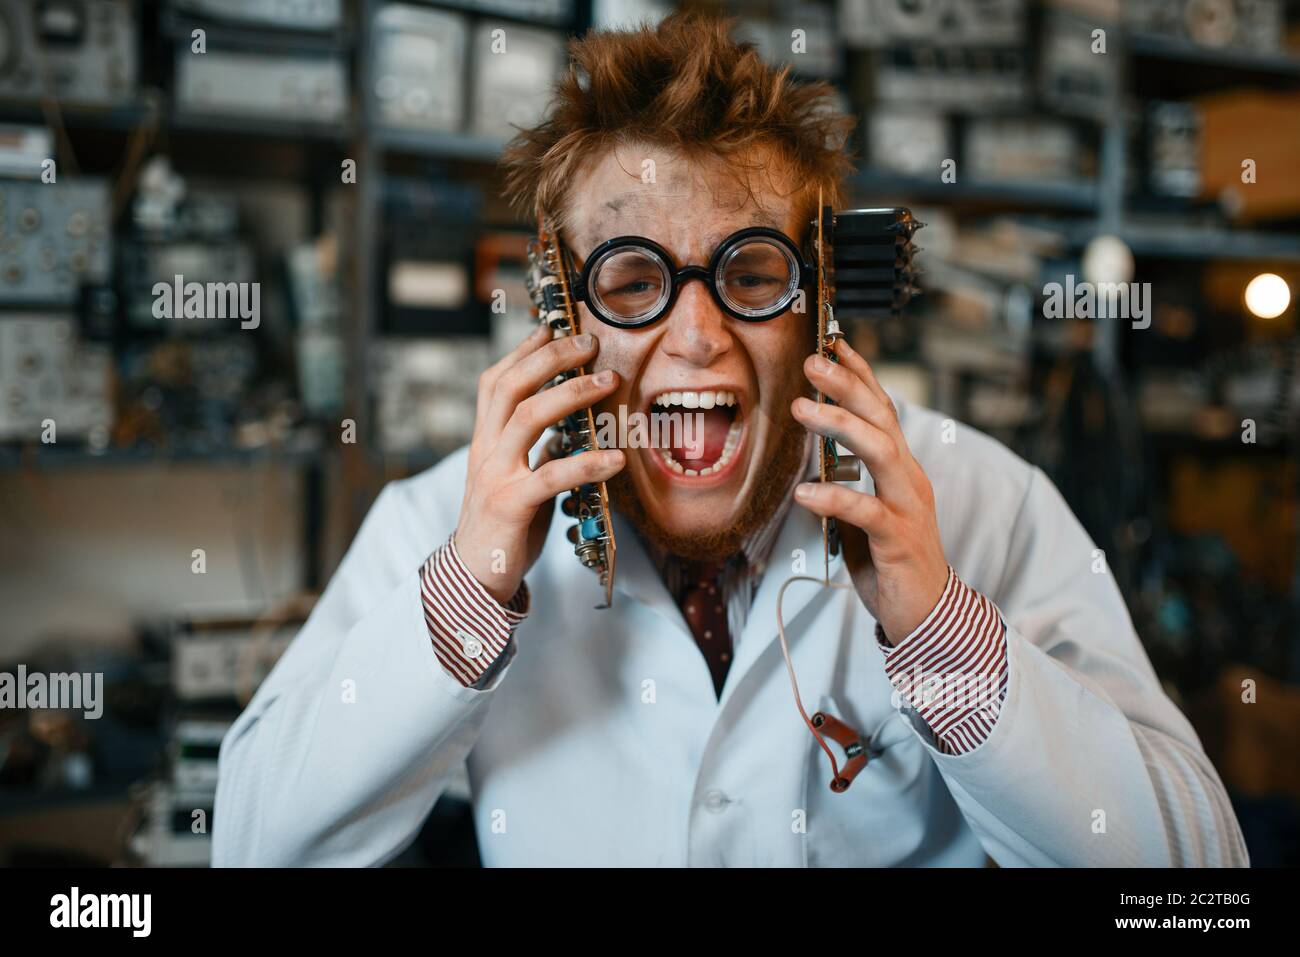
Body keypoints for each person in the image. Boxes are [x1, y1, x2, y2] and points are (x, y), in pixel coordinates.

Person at [213, 14, 1247, 867]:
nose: (697, 336)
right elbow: (254, 845)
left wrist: (939, 633)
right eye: (630, 279)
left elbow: (1198, 875)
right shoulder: (445, 525)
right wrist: (466, 604)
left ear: (822, 299)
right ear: (557, 314)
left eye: (751, 276)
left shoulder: (986, 503)